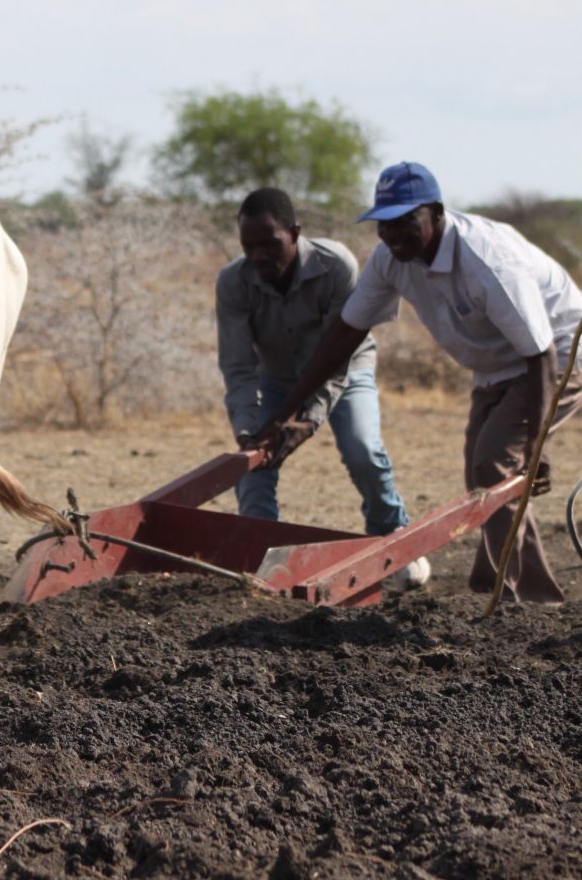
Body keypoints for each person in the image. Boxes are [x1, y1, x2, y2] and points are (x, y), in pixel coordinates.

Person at [257, 162, 582, 604]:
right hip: (498, 365)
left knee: (496, 466)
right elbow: (345, 334)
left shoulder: (487, 261)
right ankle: (521, 591)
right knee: (481, 472)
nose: (392, 236)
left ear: (436, 212)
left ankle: (511, 596)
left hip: (555, 355)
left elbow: (539, 351)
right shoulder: (393, 260)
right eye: (383, 226)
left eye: (405, 222)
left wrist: (537, 444)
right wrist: (287, 409)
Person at [218, 188, 421, 588]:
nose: (258, 255)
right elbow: (238, 367)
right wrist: (247, 429)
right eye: (249, 246)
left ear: (295, 233)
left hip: (346, 370)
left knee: (362, 448)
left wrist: (307, 420)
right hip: (275, 379)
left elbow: (337, 357)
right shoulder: (233, 282)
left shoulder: (335, 265)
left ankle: (394, 541)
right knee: (254, 462)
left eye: (270, 243)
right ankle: (261, 559)